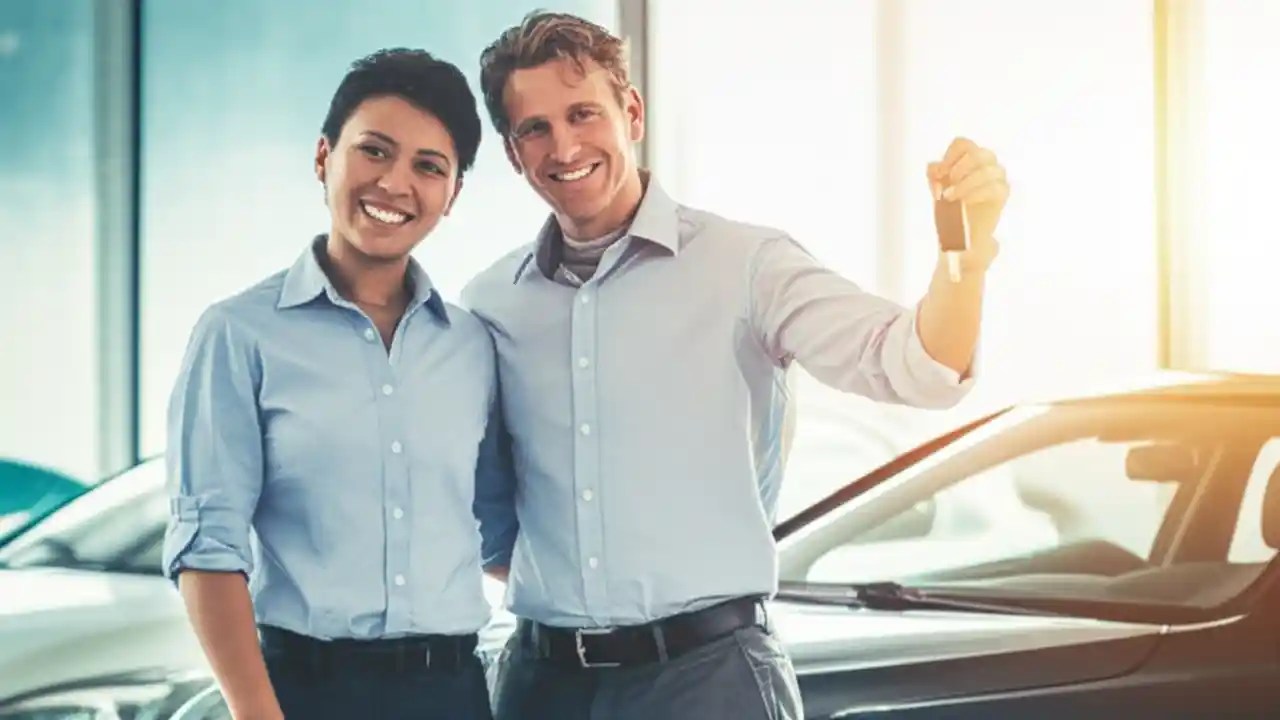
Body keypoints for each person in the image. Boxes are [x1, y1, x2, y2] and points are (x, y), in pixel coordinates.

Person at [464, 11, 1010, 720]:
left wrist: (963, 257)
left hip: (707, 680)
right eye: (534, 128)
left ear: (631, 112)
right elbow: (484, 507)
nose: (563, 145)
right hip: (542, 685)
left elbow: (918, 367)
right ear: (513, 152)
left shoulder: (745, 266)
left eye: (582, 113)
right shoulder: (489, 304)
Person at [162, 48, 495, 720]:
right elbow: (207, 549)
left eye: (429, 167)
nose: (395, 183)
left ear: (452, 194)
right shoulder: (239, 334)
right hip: (306, 692)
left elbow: (503, 525)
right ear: (324, 158)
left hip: (454, 692)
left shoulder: (473, 346)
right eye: (374, 151)